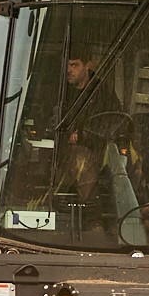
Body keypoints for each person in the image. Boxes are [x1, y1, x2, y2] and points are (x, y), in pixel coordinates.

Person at [58, 48, 124, 201]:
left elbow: (116, 121)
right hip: (63, 152)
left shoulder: (102, 92)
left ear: (88, 65)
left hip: (98, 149)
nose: (69, 70)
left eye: (74, 65)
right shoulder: (58, 91)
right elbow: (49, 121)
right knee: (80, 158)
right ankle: (92, 216)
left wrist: (84, 134)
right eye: (66, 65)